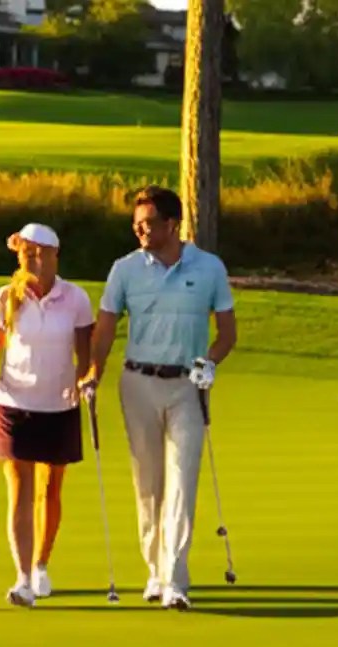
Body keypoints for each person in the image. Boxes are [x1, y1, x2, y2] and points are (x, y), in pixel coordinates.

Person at [78, 186, 237, 611]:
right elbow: (106, 327)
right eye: (136, 224)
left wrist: (211, 362)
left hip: (187, 385)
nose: (140, 230)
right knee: (149, 485)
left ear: (172, 224)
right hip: (138, 383)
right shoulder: (125, 269)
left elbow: (227, 332)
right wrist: (94, 372)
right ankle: (154, 571)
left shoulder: (209, 268)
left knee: (183, 483)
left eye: (148, 224)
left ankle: (175, 581)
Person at [0, 223, 95, 608]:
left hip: (59, 403)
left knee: (50, 490)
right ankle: (21, 578)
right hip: (13, 402)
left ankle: (41, 565)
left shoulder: (76, 299)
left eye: (39, 253)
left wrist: (87, 380)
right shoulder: (6, 297)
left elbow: (84, 350)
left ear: (55, 255)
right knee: (20, 488)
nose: (33, 260)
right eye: (26, 253)